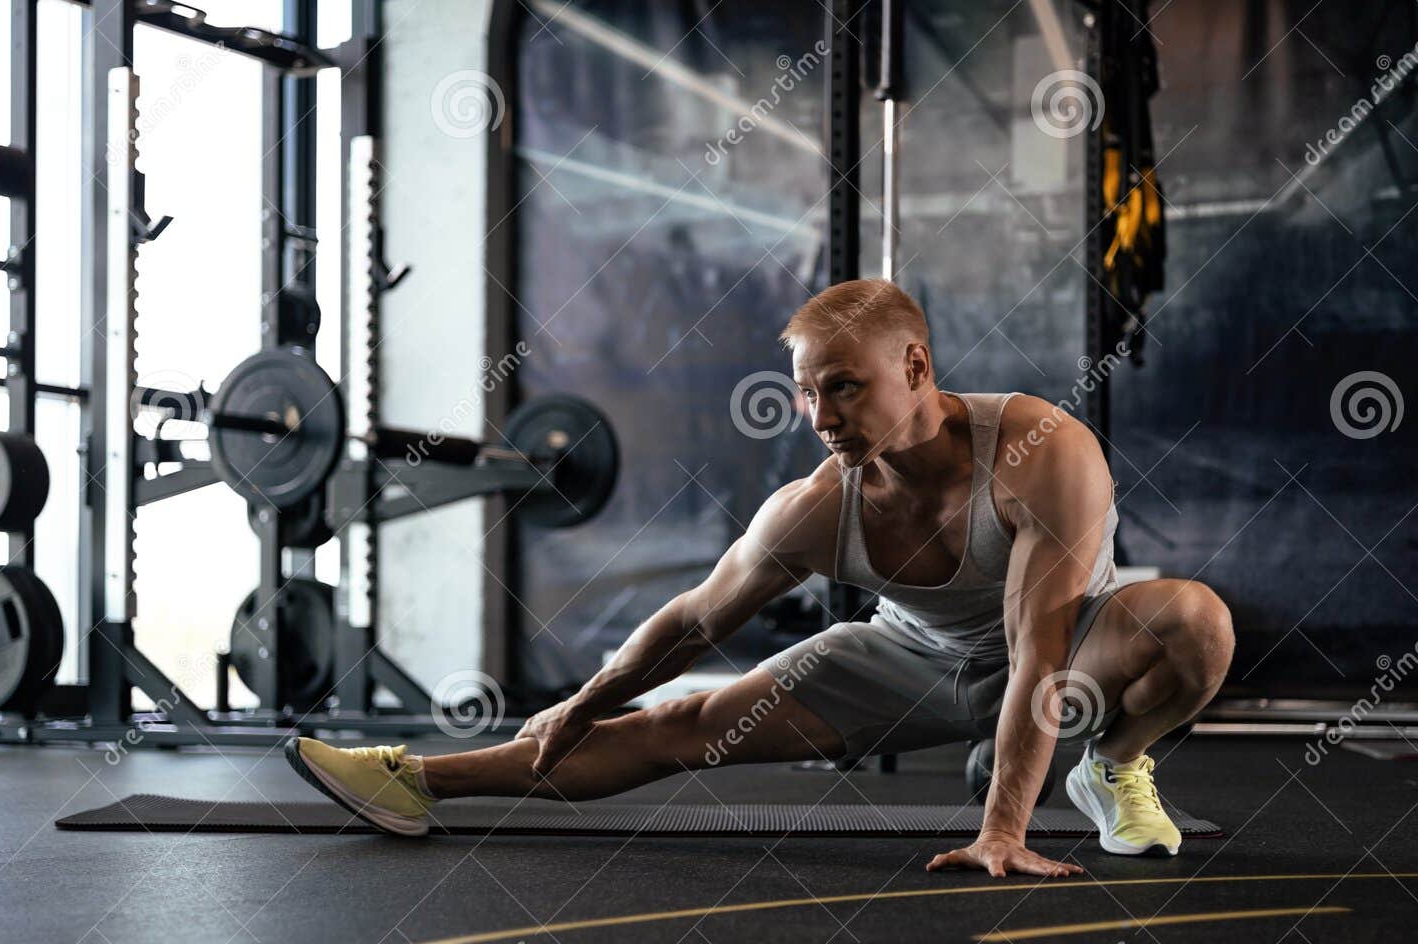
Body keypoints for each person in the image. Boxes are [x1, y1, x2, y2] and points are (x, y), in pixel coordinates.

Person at [285, 279, 1234, 879]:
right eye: (807, 391)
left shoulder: (1040, 450)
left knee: (1194, 621)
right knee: (677, 726)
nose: (820, 414)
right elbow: (695, 619)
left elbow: (1038, 650)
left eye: (845, 386)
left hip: (1074, 653)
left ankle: (1111, 766)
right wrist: (585, 697)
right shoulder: (815, 506)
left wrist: (1001, 830)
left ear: (916, 365)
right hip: (907, 660)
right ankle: (417, 780)